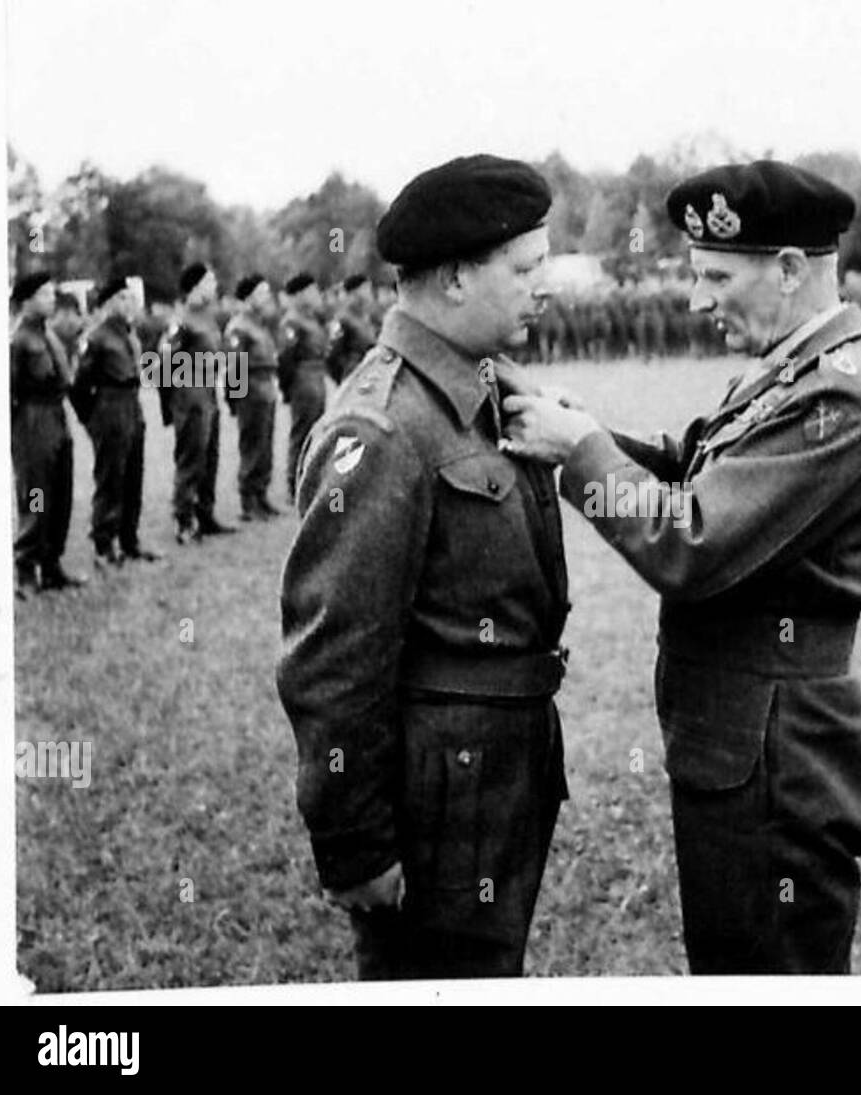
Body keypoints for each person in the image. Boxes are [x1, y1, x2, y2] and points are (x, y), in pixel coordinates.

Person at [504, 160, 861, 974]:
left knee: (763, 975)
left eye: (716, 275)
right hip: (747, 741)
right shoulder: (797, 370)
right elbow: (693, 468)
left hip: (775, 755)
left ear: (793, 269)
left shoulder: (841, 397)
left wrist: (580, 454)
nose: (698, 299)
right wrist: (588, 430)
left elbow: (690, 541)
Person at [276, 154, 568, 980]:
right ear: (452, 280)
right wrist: (355, 845)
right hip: (441, 804)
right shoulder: (385, 427)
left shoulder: (478, 392)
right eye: (523, 269)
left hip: (494, 780)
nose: (541, 287)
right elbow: (334, 659)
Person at [70, 275, 161, 568]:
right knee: (110, 478)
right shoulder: (95, 337)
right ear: (108, 303)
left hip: (132, 405)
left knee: (133, 476)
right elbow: (79, 385)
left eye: (130, 298)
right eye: (123, 298)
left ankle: (129, 540)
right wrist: (93, 419)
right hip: (109, 407)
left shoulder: (129, 334)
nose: (130, 303)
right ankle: (103, 544)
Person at [10, 271, 87, 594]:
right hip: (32, 419)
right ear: (27, 300)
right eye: (44, 294)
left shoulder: (51, 335)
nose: (51, 299)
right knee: (37, 495)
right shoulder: (18, 339)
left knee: (60, 492)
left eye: (52, 293)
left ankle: (52, 564)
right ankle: (26, 568)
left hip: (57, 417)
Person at [162, 262, 236, 543]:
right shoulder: (182, 320)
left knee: (210, 455)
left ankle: (205, 514)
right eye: (210, 281)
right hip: (190, 392)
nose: (214, 286)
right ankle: (184, 520)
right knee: (191, 458)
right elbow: (165, 363)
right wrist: (173, 404)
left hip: (209, 392)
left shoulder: (209, 317)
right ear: (195, 286)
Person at [224, 274, 283, 521]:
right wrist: (235, 400)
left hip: (266, 386)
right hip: (250, 387)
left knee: (266, 445)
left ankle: (261, 495)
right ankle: (248, 500)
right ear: (248, 298)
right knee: (252, 445)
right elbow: (234, 366)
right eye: (262, 293)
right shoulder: (239, 327)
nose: (267, 297)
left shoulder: (260, 325)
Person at [276, 273, 329, 503]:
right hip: (303, 379)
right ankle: (294, 483)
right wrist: (288, 389)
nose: (317, 296)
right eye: (312, 291)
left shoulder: (312, 320)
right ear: (300, 295)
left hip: (317, 377)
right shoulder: (292, 321)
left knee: (316, 434)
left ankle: (310, 480)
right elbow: (286, 358)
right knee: (301, 434)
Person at [326, 274, 378, 384]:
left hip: (369, 376)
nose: (370, 293)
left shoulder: (366, 317)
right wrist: (343, 380)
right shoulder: (342, 319)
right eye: (366, 289)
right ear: (355, 292)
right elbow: (332, 355)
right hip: (352, 378)